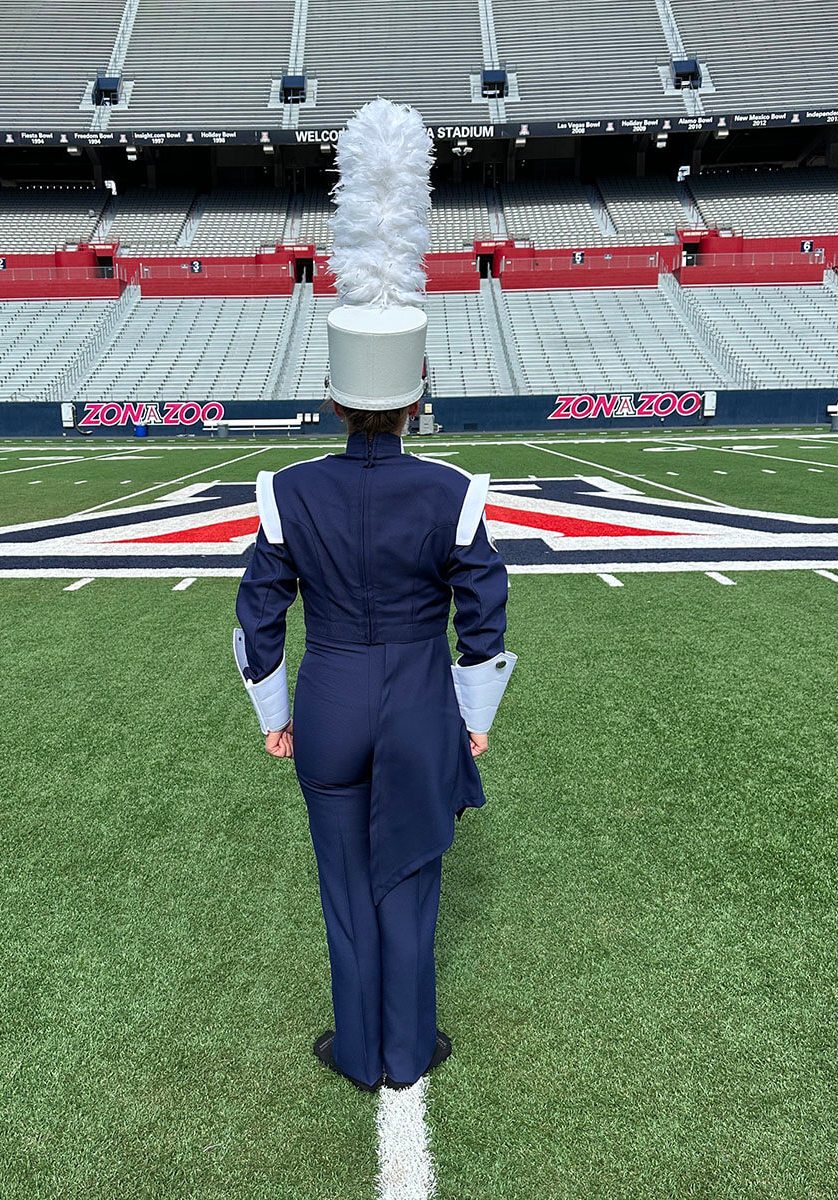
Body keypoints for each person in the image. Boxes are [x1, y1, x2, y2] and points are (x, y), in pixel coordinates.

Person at [232, 98, 517, 1093]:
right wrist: (474, 717)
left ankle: (358, 1051)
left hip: (330, 697)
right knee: (413, 884)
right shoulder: (451, 492)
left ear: (335, 400)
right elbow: (485, 611)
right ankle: (408, 1047)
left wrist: (275, 715)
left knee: (344, 889)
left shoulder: (287, 491)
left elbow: (257, 615)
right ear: (413, 399)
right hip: (419, 700)